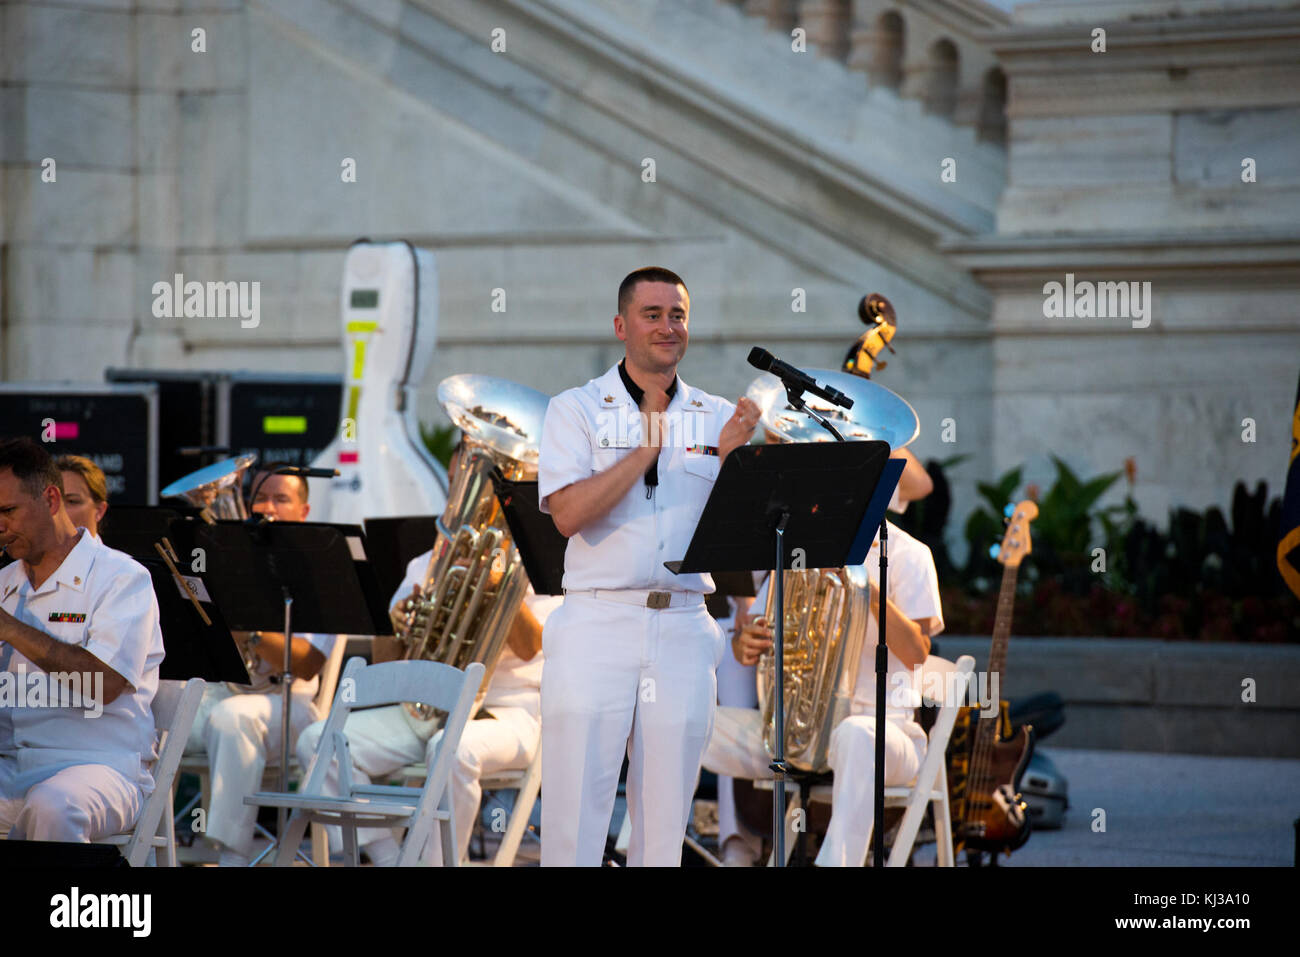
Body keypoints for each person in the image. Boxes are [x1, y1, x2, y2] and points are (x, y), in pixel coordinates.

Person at [537, 266, 760, 866]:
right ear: (621, 326)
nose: (668, 326)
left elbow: (736, 540)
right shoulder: (575, 409)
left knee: (663, 828)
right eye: (653, 314)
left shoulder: (716, 416)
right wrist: (646, 448)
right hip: (597, 620)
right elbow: (565, 515)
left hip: (685, 624)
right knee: (574, 815)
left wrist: (736, 466)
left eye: (678, 314)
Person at [296, 535, 554, 865]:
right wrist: (398, 626)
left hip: (511, 710)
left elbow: (532, 645)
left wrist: (498, 585)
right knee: (318, 742)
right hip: (428, 711)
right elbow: (384, 664)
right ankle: (390, 858)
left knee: (453, 750)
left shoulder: (535, 561)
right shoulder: (426, 563)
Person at [704, 518, 943, 866]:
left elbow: (917, 651)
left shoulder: (911, 554)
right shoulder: (802, 549)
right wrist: (746, 643)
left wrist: (867, 591)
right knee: (687, 722)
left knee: (856, 734)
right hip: (799, 735)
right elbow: (748, 640)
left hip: (885, 731)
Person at [0, 437, 164, 842]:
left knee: (54, 806)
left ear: (51, 499)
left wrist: (9, 628)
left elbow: (105, 685)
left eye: (8, 511)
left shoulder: (122, 577)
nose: (0, 525)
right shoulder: (4, 582)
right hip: (13, 763)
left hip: (101, 766)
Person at [182, 466, 339, 866]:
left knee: (233, 718)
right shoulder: (225, 562)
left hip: (292, 703)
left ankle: (231, 856)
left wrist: (247, 632)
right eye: (259, 498)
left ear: (304, 511)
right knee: (154, 707)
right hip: (225, 691)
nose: (266, 507)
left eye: (280, 499)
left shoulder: (322, 571)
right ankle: (143, 846)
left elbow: (307, 663)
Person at [55, 455, 109, 540]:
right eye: (51, 501)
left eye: (72, 501)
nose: (57, 510)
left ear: (100, 510)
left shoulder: (111, 554)